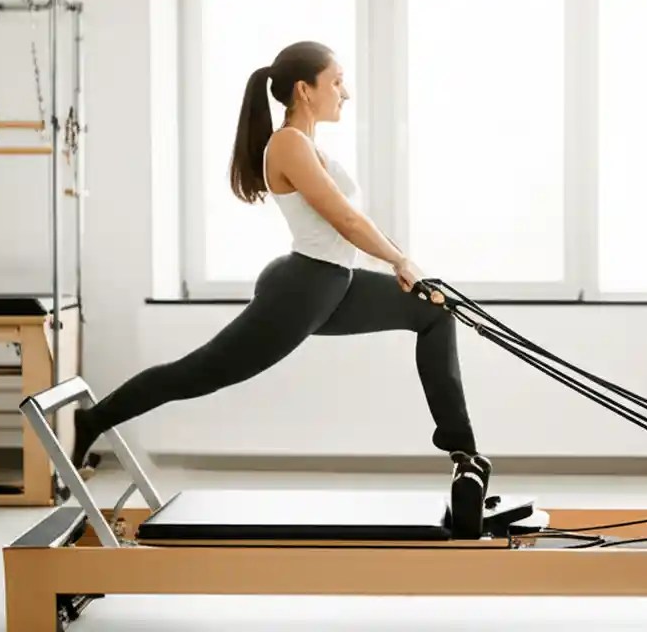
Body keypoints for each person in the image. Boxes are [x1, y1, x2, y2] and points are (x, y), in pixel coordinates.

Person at [70, 40, 480, 472]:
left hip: (335, 284)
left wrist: (401, 265)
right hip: (303, 289)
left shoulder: (309, 145)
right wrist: (400, 261)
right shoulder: (287, 145)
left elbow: (353, 221)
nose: (346, 92)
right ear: (305, 90)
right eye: (337, 82)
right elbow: (346, 221)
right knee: (200, 371)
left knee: (434, 312)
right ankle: (93, 420)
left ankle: (463, 448)